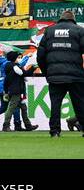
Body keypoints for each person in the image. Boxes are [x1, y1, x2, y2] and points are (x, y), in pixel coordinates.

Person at [38, 8, 84, 137]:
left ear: (61, 18)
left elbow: (40, 55)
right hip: (76, 75)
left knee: (55, 105)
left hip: (55, 76)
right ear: (73, 19)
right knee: (80, 104)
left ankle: (55, 131)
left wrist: (47, 73)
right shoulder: (79, 31)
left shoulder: (49, 31)